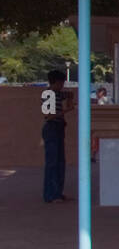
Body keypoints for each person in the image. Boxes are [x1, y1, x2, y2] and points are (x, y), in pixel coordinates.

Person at [41, 69, 71, 203]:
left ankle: (57, 192)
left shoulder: (58, 93)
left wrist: (70, 99)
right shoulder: (48, 94)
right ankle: (50, 194)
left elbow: (70, 94)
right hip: (52, 127)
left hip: (58, 127)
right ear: (56, 82)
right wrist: (66, 110)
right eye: (61, 83)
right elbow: (48, 116)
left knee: (60, 162)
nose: (62, 85)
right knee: (52, 162)